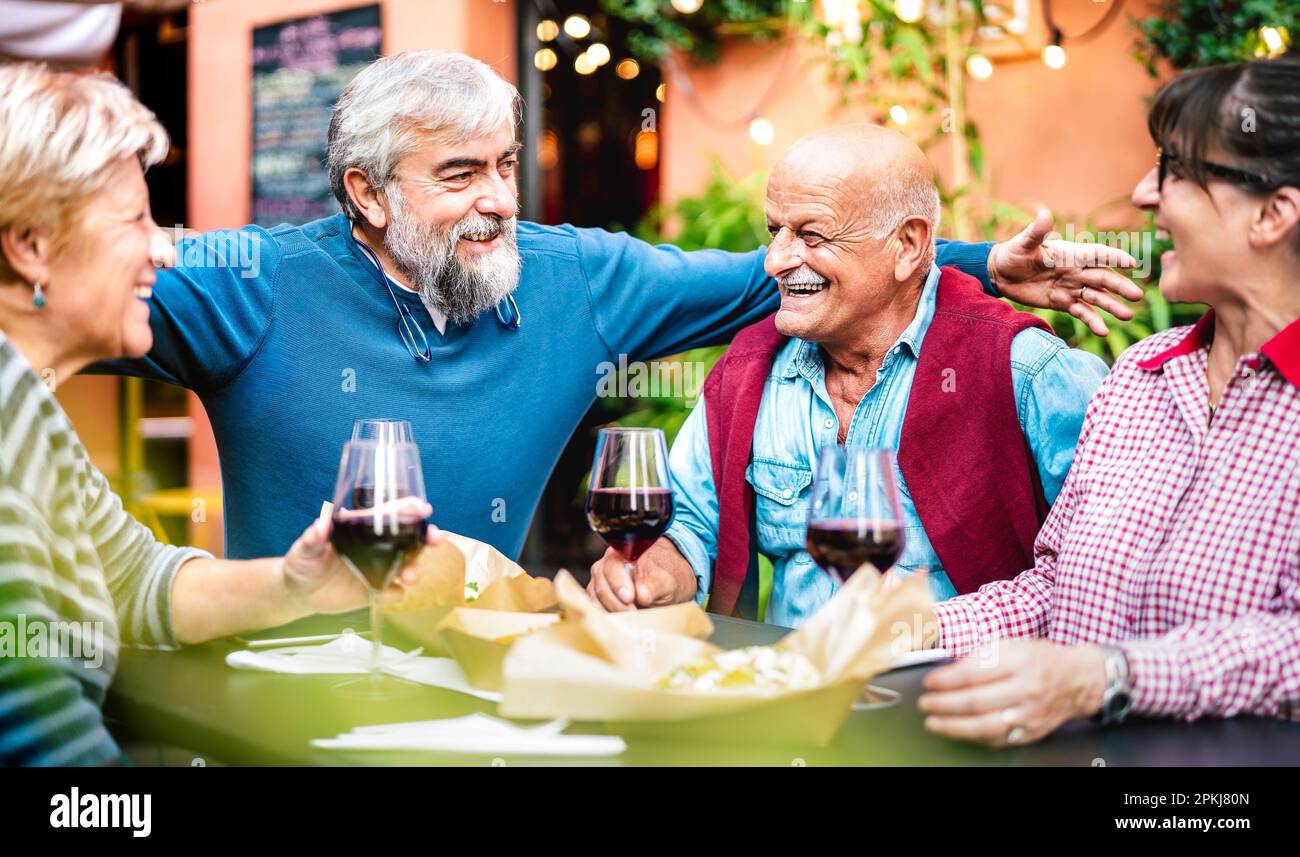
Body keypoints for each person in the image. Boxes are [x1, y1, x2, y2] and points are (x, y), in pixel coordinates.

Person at [97, 49, 1140, 565]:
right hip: (275, 705)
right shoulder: (252, 283)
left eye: (505, 166)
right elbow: (64, 301)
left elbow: (764, 273)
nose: (498, 198)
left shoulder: (575, 279)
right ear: (368, 194)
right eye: (459, 173)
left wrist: (980, 265)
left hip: (485, 703)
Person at [0, 64, 435, 765]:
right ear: (30, 245)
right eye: (134, 220)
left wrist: (296, 584)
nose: (163, 249)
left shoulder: (27, 406)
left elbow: (137, 582)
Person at [917, 54, 1300, 746]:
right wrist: (916, 627)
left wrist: (1108, 676)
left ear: (1274, 213)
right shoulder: (1136, 377)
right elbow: (1055, 592)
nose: (1144, 193)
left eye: (1177, 172)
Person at [587, 125, 1109, 622]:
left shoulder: (1028, 371)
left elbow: (1095, 577)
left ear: (907, 245)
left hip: (962, 702)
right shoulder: (750, 370)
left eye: (813, 236)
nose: (775, 261)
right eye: (775, 232)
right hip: (793, 696)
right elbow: (693, 524)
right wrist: (655, 571)